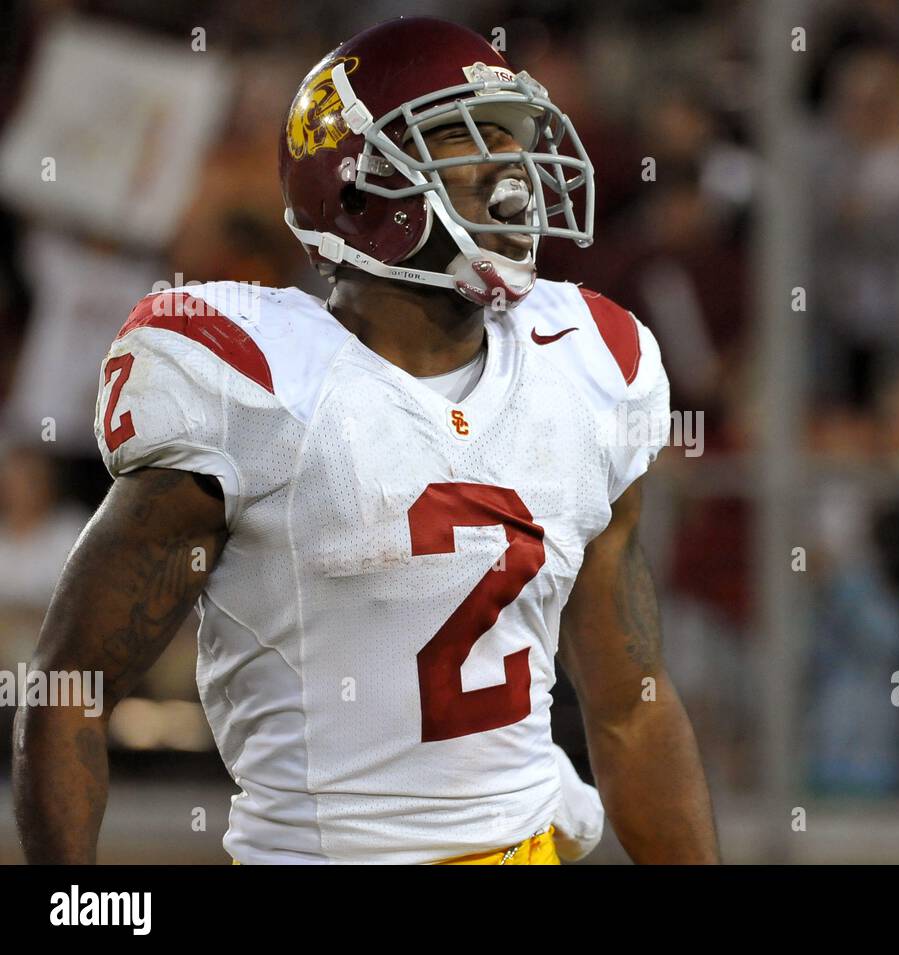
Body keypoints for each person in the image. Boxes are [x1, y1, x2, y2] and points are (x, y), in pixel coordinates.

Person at [14, 17, 718, 865]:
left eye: (515, 141)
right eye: (464, 141)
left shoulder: (586, 366)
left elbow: (630, 705)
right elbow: (69, 690)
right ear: (359, 190)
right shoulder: (254, 386)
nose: (516, 176)